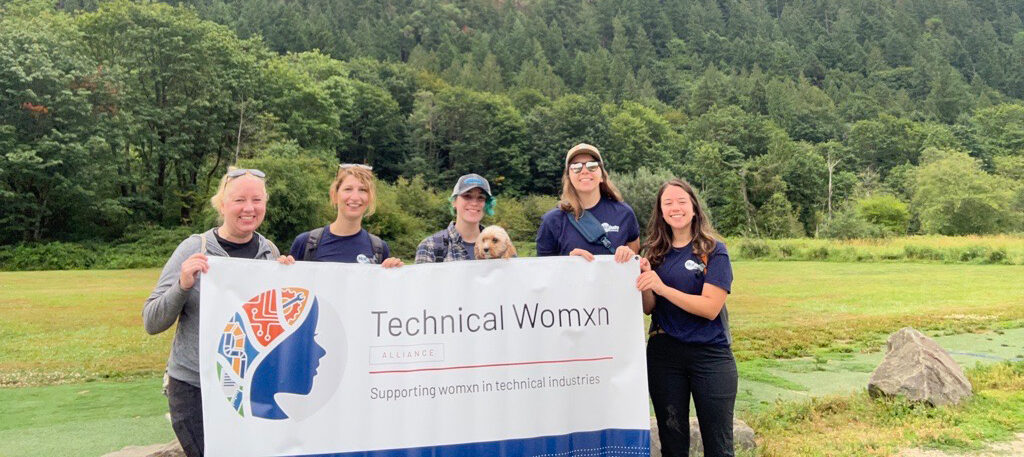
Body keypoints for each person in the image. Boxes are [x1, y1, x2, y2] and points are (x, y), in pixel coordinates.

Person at [143, 167, 280, 457]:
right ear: (222, 204)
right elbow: (152, 321)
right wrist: (182, 285)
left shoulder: (270, 253)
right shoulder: (195, 248)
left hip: (248, 389)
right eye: (239, 200)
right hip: (194, 388)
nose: (249, 208)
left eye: (256, 200)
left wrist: (289, 278)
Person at [636, 179, 736, 457]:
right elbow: (649, 307)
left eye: (681, 201)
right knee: (672, 443)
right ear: (660, 211)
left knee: (719, 445)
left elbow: (710, 307)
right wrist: (644, 279)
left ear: (694, 207)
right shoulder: (653, 251)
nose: (675, 208)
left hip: (710, 354)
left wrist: (662, 288)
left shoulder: (714, 250)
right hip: (664, 355)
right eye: (667, 203)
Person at [280, 164, 403, 267]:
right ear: (334, 195)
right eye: (348, 189)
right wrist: (281, 268)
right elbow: (290, 286)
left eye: (363, 190)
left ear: (369, 198)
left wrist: (394, 273)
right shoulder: (305, 243)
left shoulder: (379, 249)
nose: (355, 197)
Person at [535, 143, 639, 263]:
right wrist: (568, 262)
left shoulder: (624, 213)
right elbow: (543, 269)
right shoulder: (552, 220)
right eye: (576, 167)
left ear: (602, 176)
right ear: (569, 178)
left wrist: (628, 254)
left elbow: (635, 262)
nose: (584, 171)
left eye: (592, 165)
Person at [415, 173, 496, 263]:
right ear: (454, 201)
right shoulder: (429, 247)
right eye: (467, 196)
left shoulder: (501, 245)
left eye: (481, 197)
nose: (474, 203)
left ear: (487, 204)